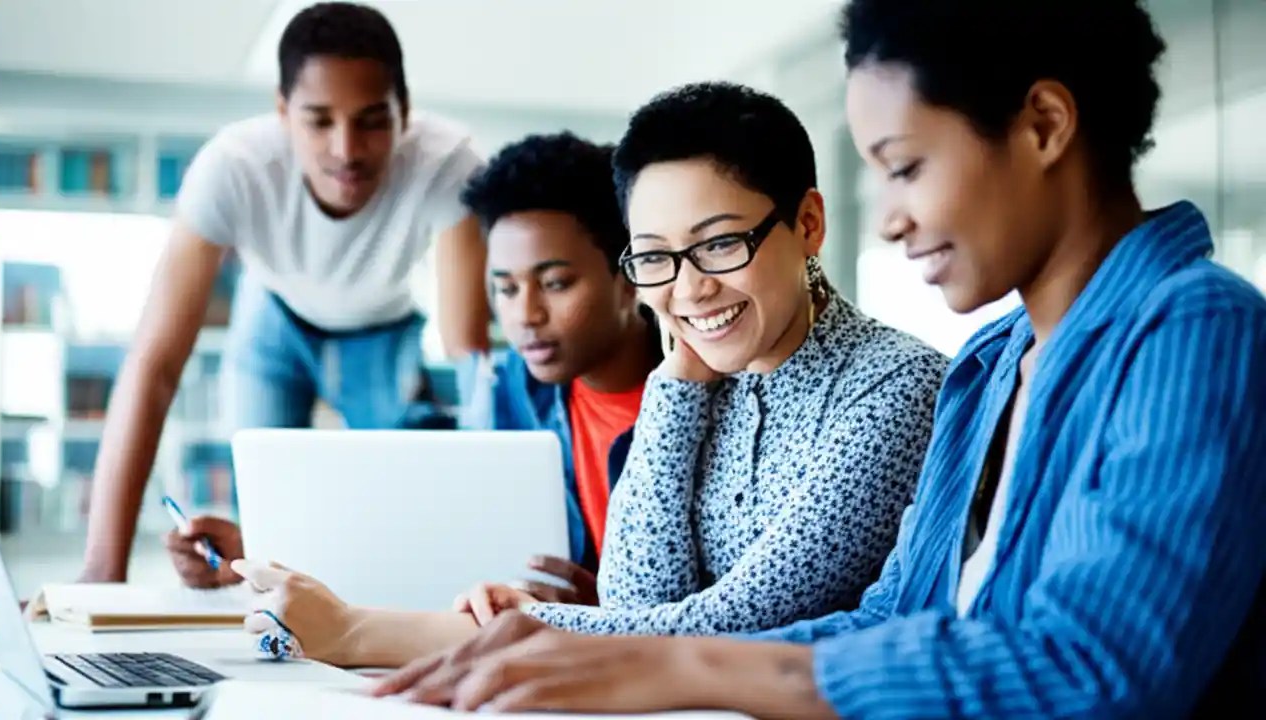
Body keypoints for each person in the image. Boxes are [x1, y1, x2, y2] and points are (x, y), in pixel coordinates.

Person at [368, 1, 1266, 717]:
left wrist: (676, 667)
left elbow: (1094, 671)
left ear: (1042, 124)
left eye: (906, 167)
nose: (887, 219)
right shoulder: (992, 365)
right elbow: (894, 618)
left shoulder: (1196, 329)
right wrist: (640, 658)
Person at [231, 82, 948, 666]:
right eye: (657, 258)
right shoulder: (704, 381)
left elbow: (733, 628)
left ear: (810, 225)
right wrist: (680, 380)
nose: (690, 290)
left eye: (720, 244)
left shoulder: (895, 389)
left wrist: (362, 633)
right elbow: (638, 597)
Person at [80, 2, 491, 586]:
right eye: (319, 121)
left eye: (373, 120)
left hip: (381, 331)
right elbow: (156, 364)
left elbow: (468, 353)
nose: (346, 150)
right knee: (264, 519)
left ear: (406, 112)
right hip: (273, 323)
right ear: (282, 112)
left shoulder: (449, 164)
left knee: (399, 500)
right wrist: (102, 573)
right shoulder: (232, 167)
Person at [454, 131, 664, 604]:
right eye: (506, 289)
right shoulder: (516, 384)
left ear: (630, 277)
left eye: (554, 283)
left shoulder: (708, 396)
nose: (525, 315)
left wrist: (608, 610)